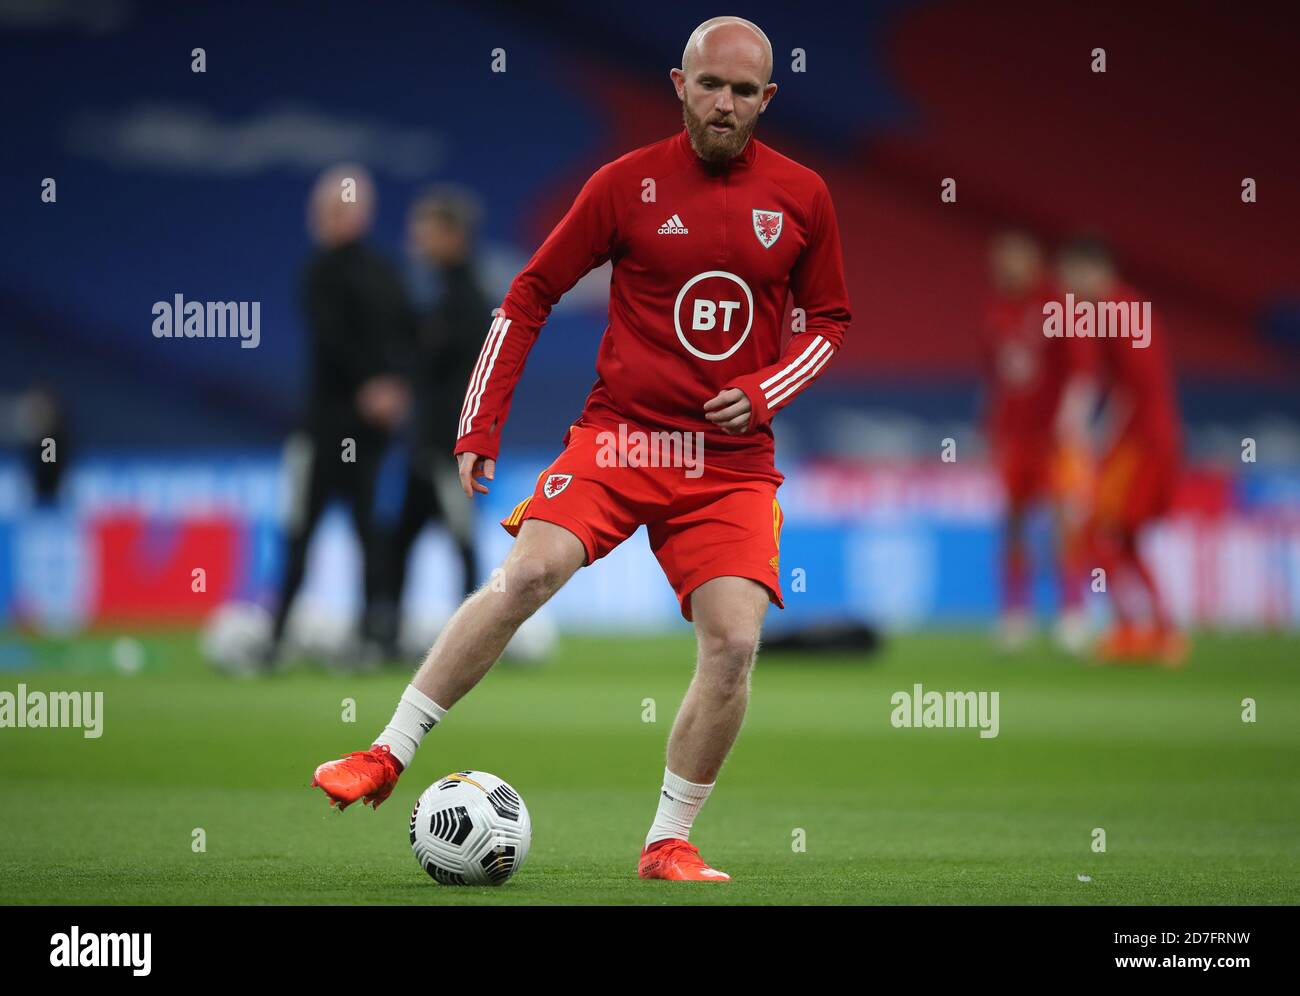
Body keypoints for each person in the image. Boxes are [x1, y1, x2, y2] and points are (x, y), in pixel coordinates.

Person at [312, 16, 851, 882]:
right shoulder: (625, 185)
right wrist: (480, 421)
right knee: (528, 573)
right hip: (622, 438)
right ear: (679, 84)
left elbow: (828, 325)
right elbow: (529, 293)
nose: (724, 104)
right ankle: (386, 752)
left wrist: (762, 392)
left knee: (735, 645)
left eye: (743, 92)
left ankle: (667, 840)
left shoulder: (803, 196)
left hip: (728, 466)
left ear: (767, 100)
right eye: (709, 84)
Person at [267, 165, 412, 663]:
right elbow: (342, 337)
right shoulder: (356, 271)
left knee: (356, 532)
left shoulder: (338, 271)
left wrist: (391, 387)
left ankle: (360, 634)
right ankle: (296, 634)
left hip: (342, 429)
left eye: (332, 207)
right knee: (329, 531)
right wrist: (381, 386)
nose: (323, 217)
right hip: (334, 429)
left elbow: (386, 338)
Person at [1056, 235, 1186, 666]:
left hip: (1139, 444)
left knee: (1096, 532)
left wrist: (1100, 439)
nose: (1068, 286)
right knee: (1125, 539)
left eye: (1073, 275)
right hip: (1150, 439)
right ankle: (1163, 633)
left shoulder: (1121, 310)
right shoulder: (1113, 311)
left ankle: (1132, 629)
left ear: (1095, 269)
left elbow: (1133, 388)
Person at [373, 189, 492, 654]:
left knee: (459, 542)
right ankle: (388, 633)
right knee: (402, 539)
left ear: (452, 236)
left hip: (450, 448)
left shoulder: (466, 300)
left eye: (425, 232)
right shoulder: (447, 295)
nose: (416, 242)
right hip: (429, 446)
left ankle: (473, 639)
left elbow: (444, 370)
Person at [980, 230, 1093, 653]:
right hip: (1013, 437)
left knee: (1063, 520)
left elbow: (1082, 370)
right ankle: (1015, 615)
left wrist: (1071, 422)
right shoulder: (995, 307)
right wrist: (991, 428)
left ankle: (1073, 613)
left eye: (1012, 258)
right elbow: (995, 376)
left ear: (1032, 260)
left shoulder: (1060, 304)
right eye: (1000, 259)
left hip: (1055, 437)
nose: (1004, 267)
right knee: (1012, 521)